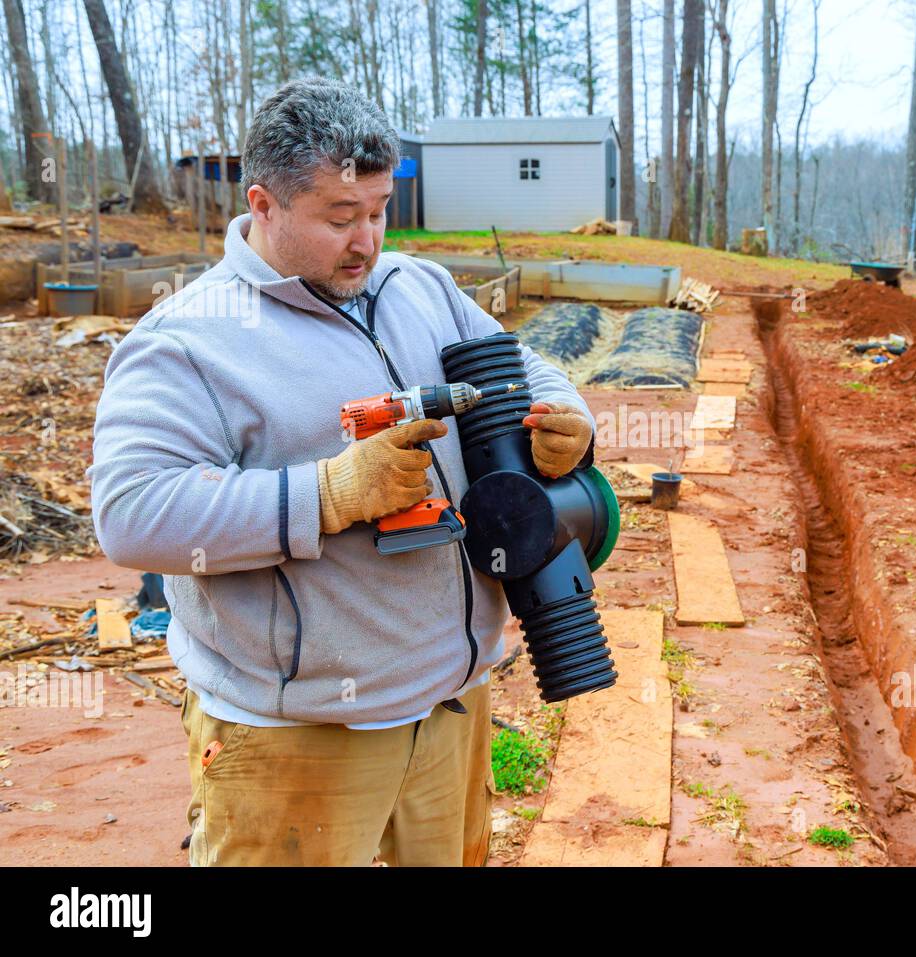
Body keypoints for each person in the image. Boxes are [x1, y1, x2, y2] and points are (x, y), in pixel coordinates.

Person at [87, 78, 595, 866]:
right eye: (338, 217)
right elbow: (132, 513)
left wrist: (570, 424)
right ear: (264, 203)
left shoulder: (417, 287)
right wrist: (326, 494)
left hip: (450, 708)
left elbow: (524, 368)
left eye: (379, 210)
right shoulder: (188, 340)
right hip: (298, 740)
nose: (367, 241)